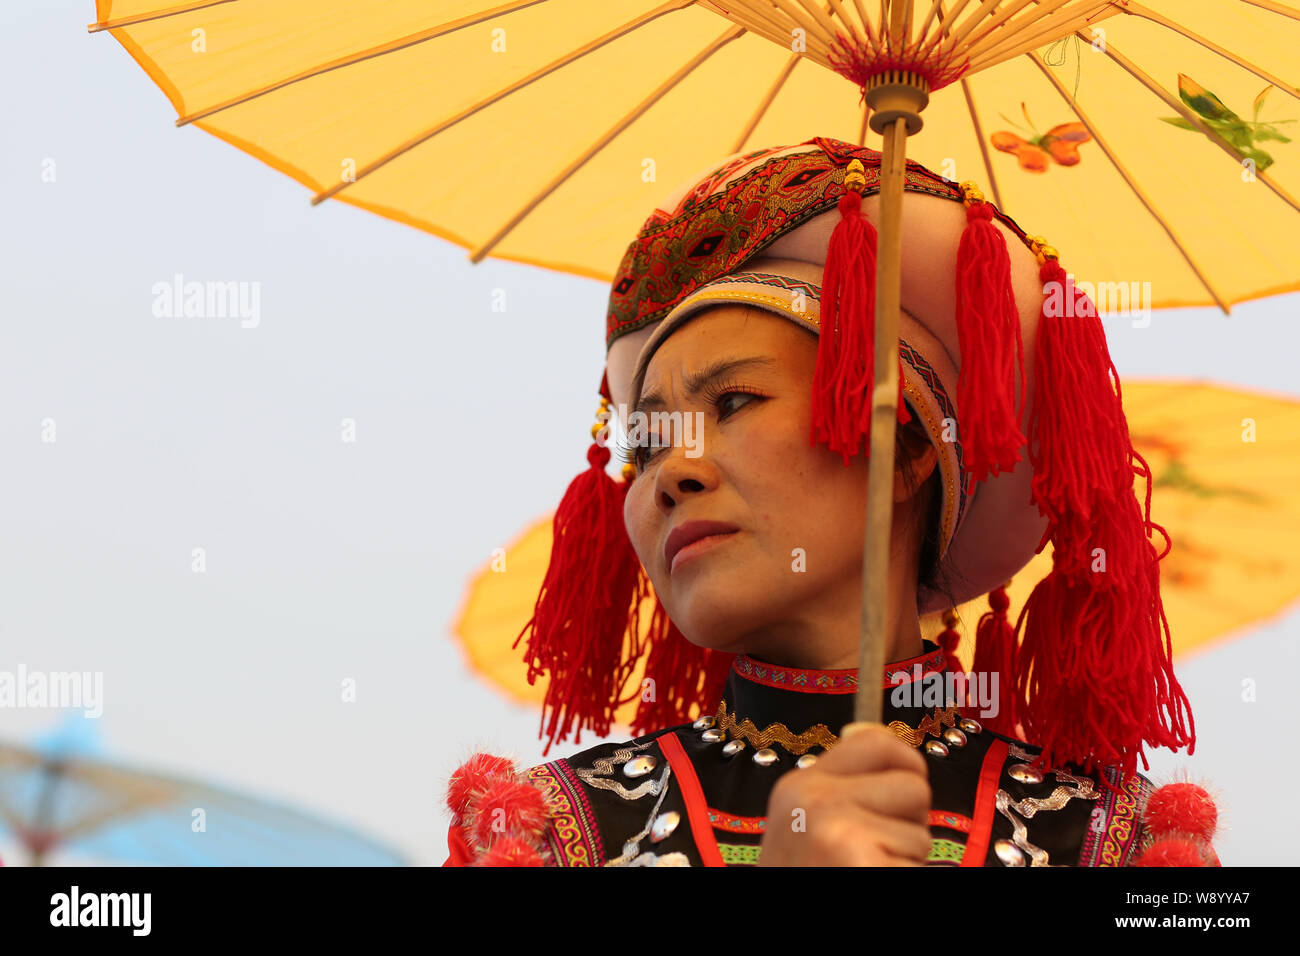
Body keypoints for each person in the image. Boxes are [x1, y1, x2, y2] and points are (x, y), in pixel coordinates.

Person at [442, 137, 1220, 867]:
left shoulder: (1107, 841)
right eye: (642, 447)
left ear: (907, 449)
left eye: (736, 401)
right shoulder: (551, 832)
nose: (669, 473)